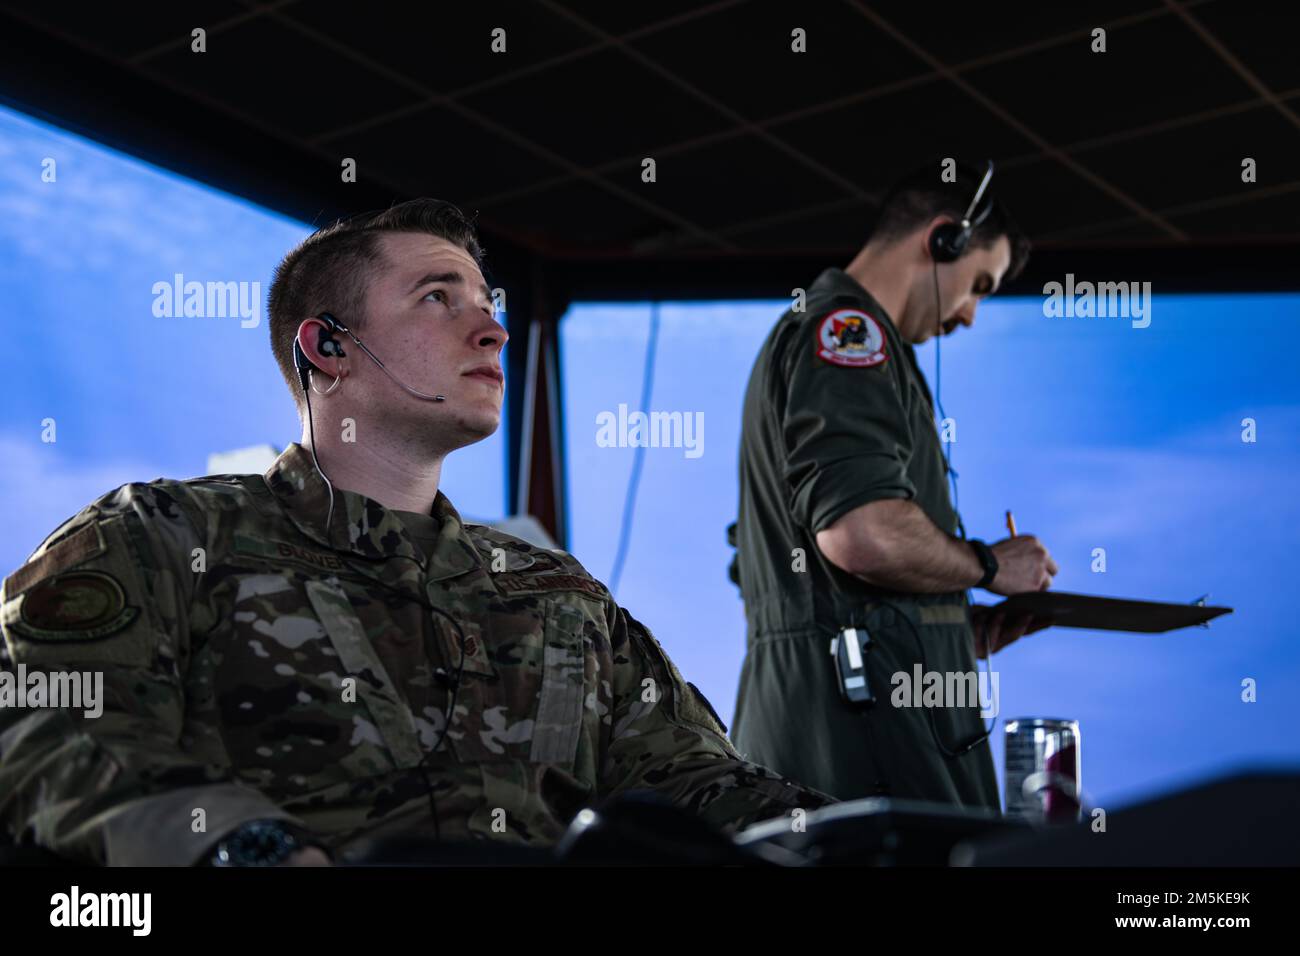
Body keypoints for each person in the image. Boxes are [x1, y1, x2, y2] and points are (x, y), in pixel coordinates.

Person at [0, 200, 833, 866]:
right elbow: (51, 726)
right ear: (329, 347)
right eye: (439, 298)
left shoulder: (560, 594)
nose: (492, 330)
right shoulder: (163, 537)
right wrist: (246, 847)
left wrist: (850, 834)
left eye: (488, 304)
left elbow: (689, 778)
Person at [728, 161, 1058, 811]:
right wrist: (990, 565)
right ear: (943, 241)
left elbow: (822, 593)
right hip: (866, 743)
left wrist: (950, 632)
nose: (970, 315)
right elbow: (862, 533)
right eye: (979, 284)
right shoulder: (849, 336)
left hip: (835, 725)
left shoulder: (822, 336)